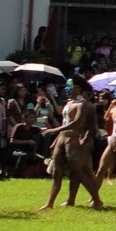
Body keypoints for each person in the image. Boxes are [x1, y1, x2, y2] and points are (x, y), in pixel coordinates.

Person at [40, 77, 102, 210]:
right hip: (62, 139)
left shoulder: (83, 104)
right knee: (57, 172)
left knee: (78, 172)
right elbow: (65, 122)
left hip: (73, 141)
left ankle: (96, 199)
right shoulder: (68, 103)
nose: (67, 89)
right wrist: (56, 140)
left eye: (70, 87)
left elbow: (77, 122)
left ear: (78, 89)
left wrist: (54, 130)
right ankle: (50, 203)